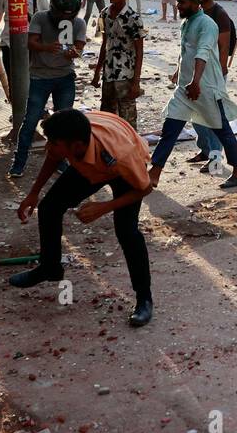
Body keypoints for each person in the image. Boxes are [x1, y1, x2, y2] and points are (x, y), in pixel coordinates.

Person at [9, 109, 155, 327]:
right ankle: (50, 268)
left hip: (125, 169)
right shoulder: (69, 139)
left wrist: (104, 207)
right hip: (94, 162)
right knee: (49, 207)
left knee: (127, 231)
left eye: (54, 143)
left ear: (76, 145)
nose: (48, 147)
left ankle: (144, 298)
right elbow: (53, 155)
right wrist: (34, 193)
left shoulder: (122, 156)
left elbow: (145, 188)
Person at [150, 0, 237, 190]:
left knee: (222, 130)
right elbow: (186, 50)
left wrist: (196, 82)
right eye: (177, 2)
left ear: (196, 3)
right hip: (186, 89)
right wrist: (179, 72)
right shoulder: (187, 22)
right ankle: (154, 173)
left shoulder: (207, 24)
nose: (178, 6)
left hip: (206, 89)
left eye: (182, 3)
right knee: (170, 130)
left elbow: (202, 52)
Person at [9, 0, 86, 177]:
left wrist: (73, 53)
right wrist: (46, 47)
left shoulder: (78, 23)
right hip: (40, 76)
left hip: (65, 76)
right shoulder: (40, 18)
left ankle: (61, 162)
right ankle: (19, 163)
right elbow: (30, 42)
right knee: (30, 121)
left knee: (65, 125)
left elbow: (79, 47)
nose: (64, 18)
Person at [187, 0, 235, 164]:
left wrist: (221, 72)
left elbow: (224, 46)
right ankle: (205, 150)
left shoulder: (219, 15)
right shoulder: (195, 12)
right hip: (196, 71)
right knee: (196, 115)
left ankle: (215, 157)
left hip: (213, 73)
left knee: (213, 118)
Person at [92, 0, 144, 128]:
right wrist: (97, 73)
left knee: (127, 122)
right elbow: (104, 44)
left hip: (126, 76)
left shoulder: (133, 18)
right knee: (107, 120)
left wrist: (136, 82)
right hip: (108, 74)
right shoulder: (104, 14)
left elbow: (139, 51)